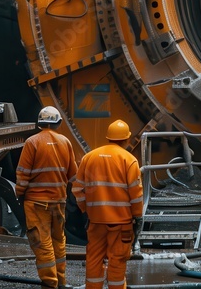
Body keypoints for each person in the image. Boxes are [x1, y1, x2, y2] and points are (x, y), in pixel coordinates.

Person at [73, 120, 144, 289]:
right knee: (118, 260)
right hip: (121, 223)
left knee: (94, 258)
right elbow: (136, 195)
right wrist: (137, 217)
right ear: (126, 139)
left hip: (96, 221)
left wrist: (86, 211)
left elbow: (77, 189)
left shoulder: (89, 157)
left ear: (108, 138)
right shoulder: (129, 160)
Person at [16, 106, 78, 289]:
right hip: (58, 201)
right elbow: (73, 175)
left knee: (42, 242)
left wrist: (20, 194)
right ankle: (61, 281)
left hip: (36, 202)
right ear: (58, 122)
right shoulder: (65, 142)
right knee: (59, 241)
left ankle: (50, 283)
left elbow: (23, 174)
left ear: (40, 122)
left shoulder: (32, 142)